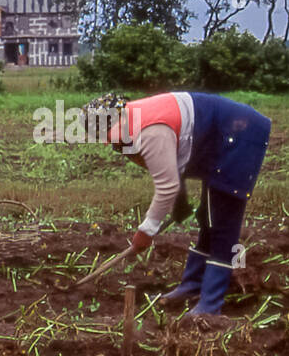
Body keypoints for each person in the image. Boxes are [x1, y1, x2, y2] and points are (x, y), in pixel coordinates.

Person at [87, 91, 271, 316]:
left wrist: (147, 230)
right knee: (207, 217)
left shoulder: (150, 131)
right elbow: (171, 162)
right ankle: (191, 286)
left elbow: (167, 186)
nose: (111, 144)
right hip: (219, 137)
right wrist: (180, 203)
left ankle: (210, 305)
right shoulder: (131, 124)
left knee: (222, 224)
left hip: (240, 135)